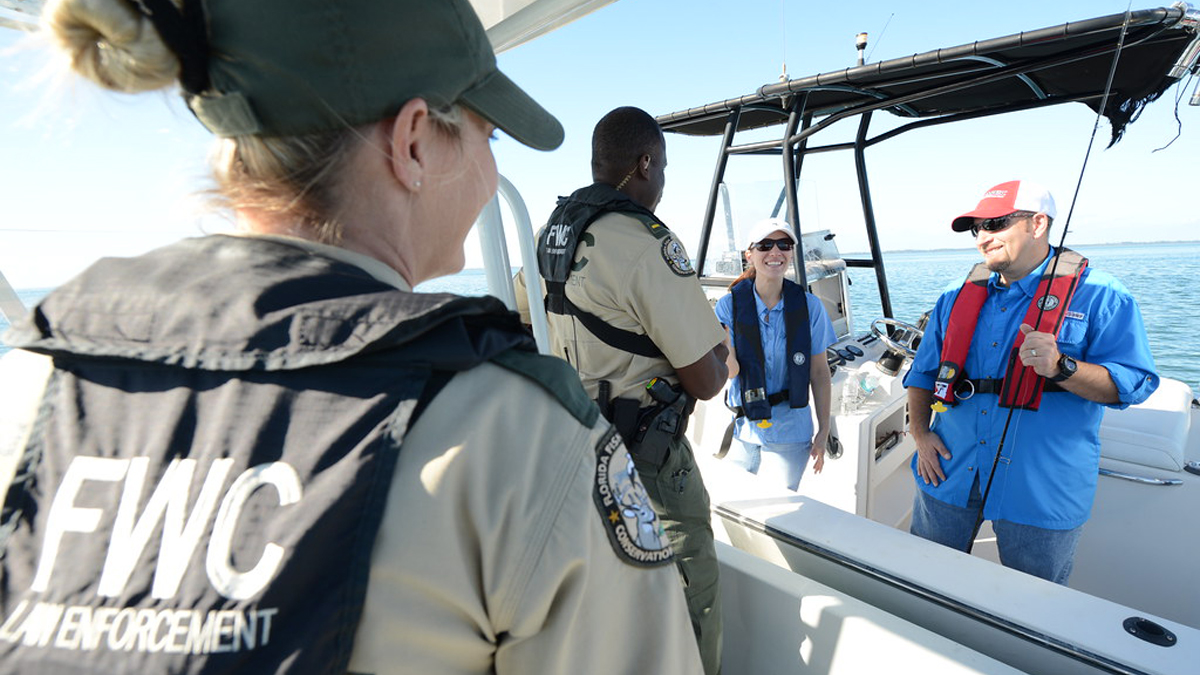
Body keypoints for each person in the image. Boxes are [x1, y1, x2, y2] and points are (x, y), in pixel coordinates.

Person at [0, 1, 705, 673]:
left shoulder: (33, 391)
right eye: (487, 138)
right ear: (412, 143)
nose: (492, 176)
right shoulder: (510, 440)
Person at [514, 106, 728, 674]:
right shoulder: (643, 243)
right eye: (662, 168)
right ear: (645, 163)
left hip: (573, 451)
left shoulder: (550, 234)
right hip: (648, 461)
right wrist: (721, 350)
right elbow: (707, 381)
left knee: (602, 594)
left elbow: (522, 317)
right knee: (691, 588)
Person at [903, 179, 1158, 585]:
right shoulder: (955, 295)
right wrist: (918, 431)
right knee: (924, 579)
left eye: (997, 223)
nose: (984, 238)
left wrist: (1062, 367)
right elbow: (923, 372)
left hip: (1042, 488)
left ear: (1038, 224)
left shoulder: (1102, 295)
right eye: (977, 228)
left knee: (1037, 603)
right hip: (951, 470)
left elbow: (1134, 383)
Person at [714, 218, 836, 491]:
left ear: (792, 252)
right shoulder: (727, 306)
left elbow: (819, 372)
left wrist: (824, 430)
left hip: (791, 431)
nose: (775, 252)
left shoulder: (810, 307)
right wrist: (723, 347)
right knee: (737, 502)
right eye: (765, 245)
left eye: (784, 244)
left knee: (779, 505)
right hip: (743, 429)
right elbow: (731, 372)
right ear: (750, 254)